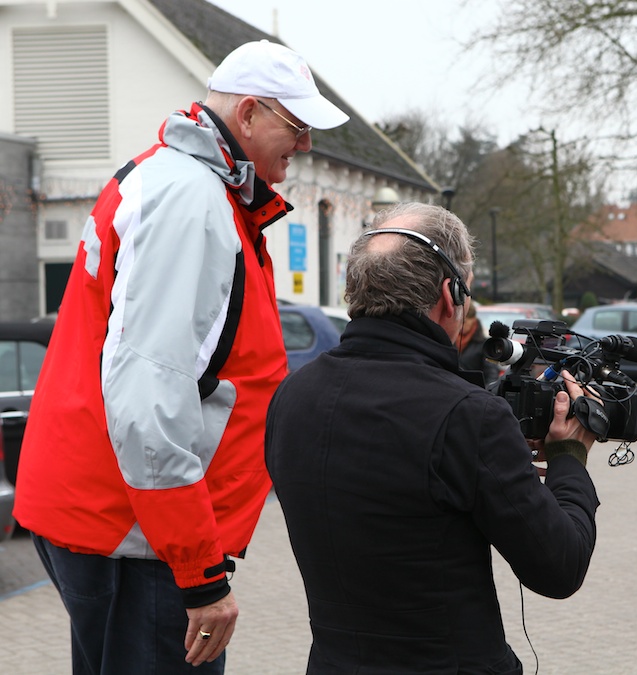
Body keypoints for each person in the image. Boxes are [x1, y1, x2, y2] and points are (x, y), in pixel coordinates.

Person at [13, 39, 348, 673]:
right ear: (247, 114)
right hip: (135, 533)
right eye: (297, 127)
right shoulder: (193, 202)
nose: (305, 147)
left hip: (110, 512)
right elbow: (149, 396)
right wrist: (200, 574)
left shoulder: (161, 176)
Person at [265, 202, 602, 674]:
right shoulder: (469, 416)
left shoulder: (291, 397)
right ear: (450, 293)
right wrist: (569, 456)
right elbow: (559, 567)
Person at [458, 302, 500, 386]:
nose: (461, 325)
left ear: (473, 320)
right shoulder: (450, 340)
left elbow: (492, 374)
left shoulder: (485, 345)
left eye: (464, 322)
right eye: (459, 321)